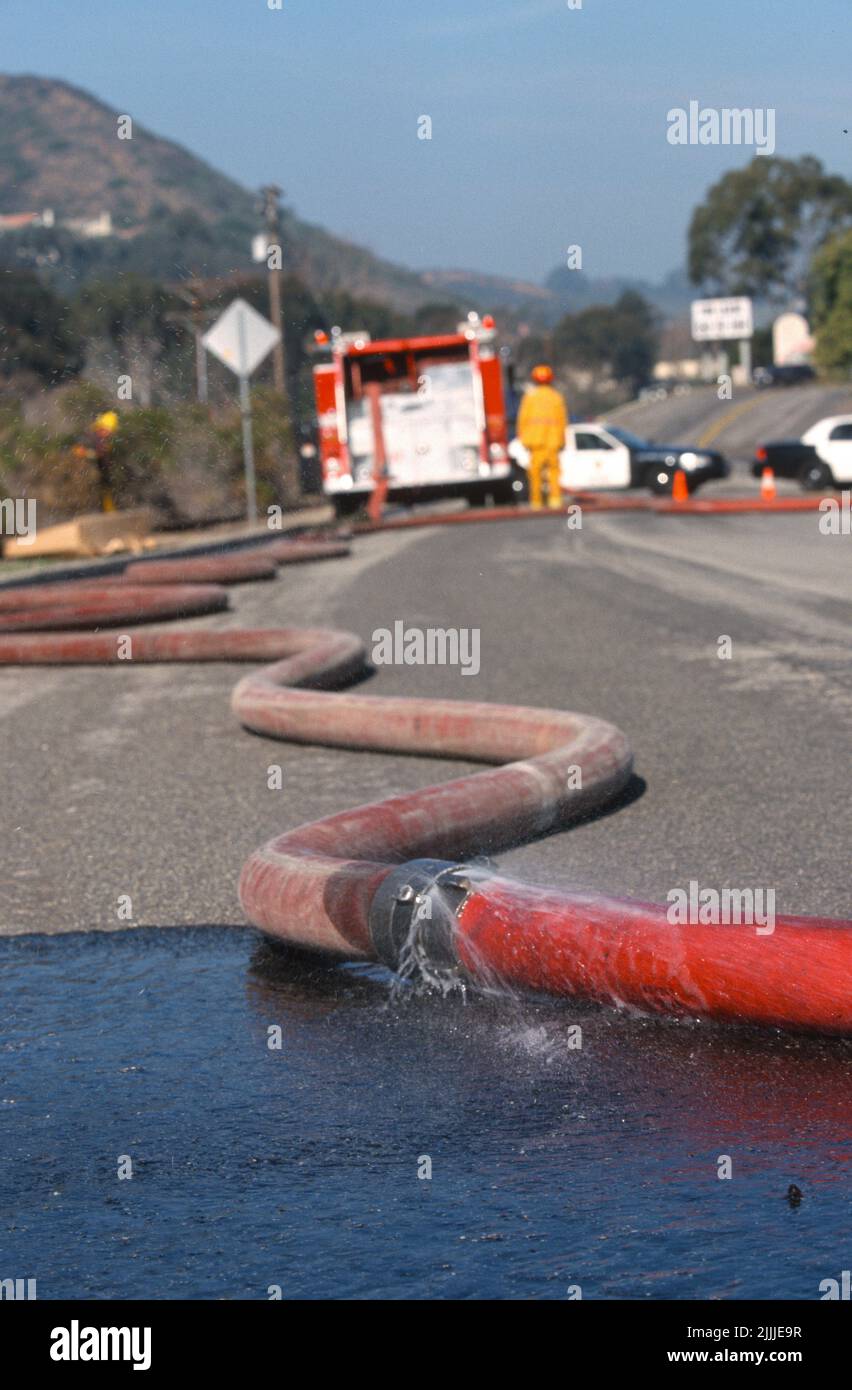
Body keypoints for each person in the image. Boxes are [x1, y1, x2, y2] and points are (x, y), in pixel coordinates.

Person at [516, 365, 567, 510]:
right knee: (553, 473)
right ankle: (555, 500)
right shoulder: (556, 397)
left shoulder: (530, 397)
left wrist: (523, 439)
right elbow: (562, 420)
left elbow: (522, 419)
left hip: (535, 442)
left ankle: (536, 502)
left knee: (535, 473)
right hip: (553, 441)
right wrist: (563, 441)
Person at [73, 410, 120, 511]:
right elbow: (78, 451)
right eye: (107, 430)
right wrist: (93, 454)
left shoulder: (105, 441)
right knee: (93, 493)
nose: (108, 434)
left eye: (110, 431)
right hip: (86, 474)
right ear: (101, 427)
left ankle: (109, 510)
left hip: (102, 475)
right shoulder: (89, 437)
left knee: (106, 489)